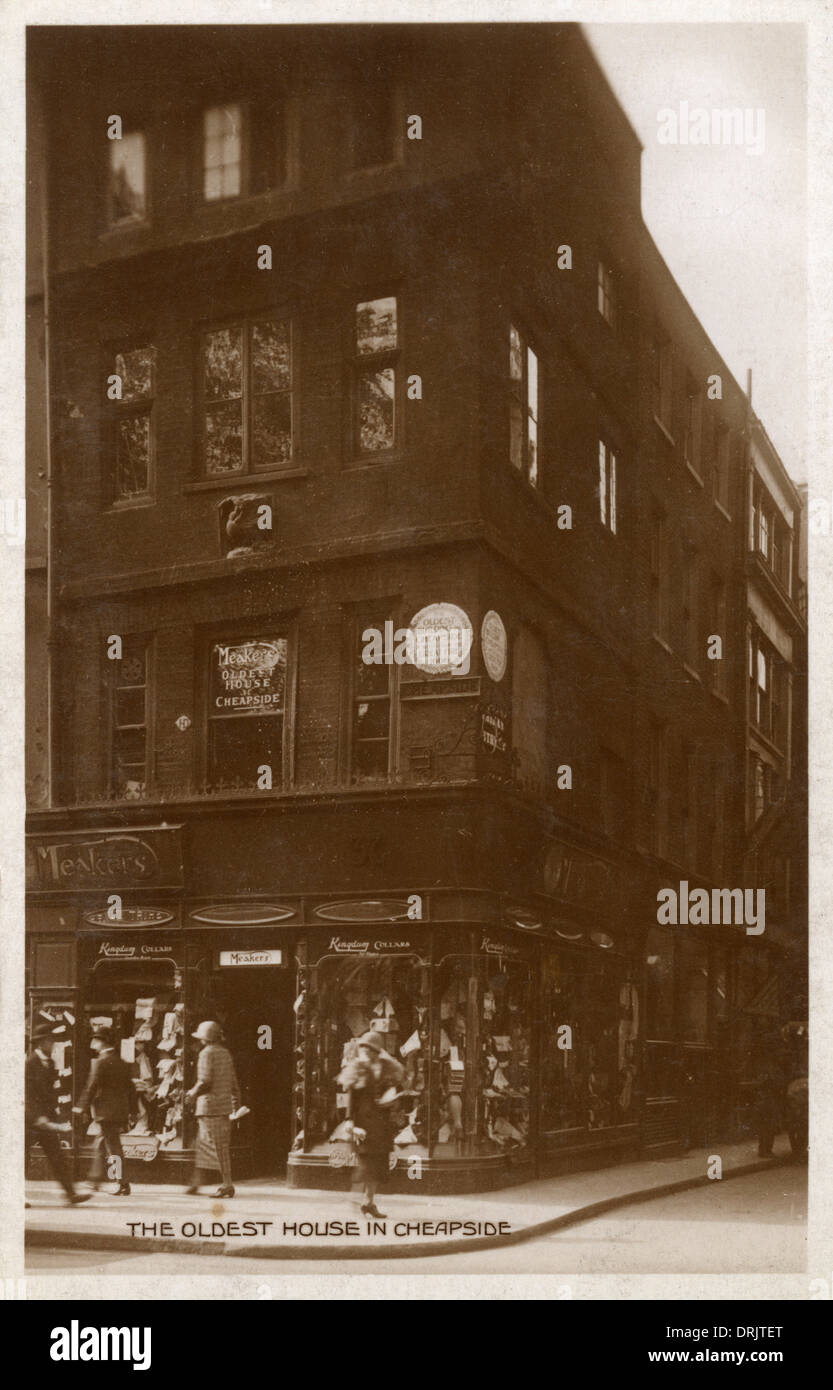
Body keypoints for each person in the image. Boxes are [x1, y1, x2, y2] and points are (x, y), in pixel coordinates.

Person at [25, 1022, 91, 1206]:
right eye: (49, 1040)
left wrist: (55, 1116)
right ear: (40, 1043)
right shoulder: (30, 1064)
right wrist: (37, 1118)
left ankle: (70, 1194)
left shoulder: (51, 1063)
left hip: (46, 1120)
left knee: (57, 1157)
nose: (53, 1044)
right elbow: (27, 1094)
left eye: (53, 1040)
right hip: (29, 1120)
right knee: (22, 1158)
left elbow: (52, 1091)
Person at [343, 1030, 405, 1220]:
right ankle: (360, 1202)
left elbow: (395, 1090)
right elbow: (352, 1097)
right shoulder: (358, 1069)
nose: (365, 1052)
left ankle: (368, 1203)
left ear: (377, 1050)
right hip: (364, 1124)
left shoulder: (387, 1068)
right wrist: (349, 1121)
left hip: (382, 1124)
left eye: (369, 1049)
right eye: (363, 1048)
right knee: (366, 1165)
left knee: (378, 1166)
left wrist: (392, 1101)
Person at [185, 1020, 240, 1198]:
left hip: (209, 1107)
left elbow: (205, 1080)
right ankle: (196, 1183)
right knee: (207, 1146)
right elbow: (233, 1081)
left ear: (205, 1038)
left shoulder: (206, 1053)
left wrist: (192, 1093)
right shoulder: (226, 1053)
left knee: (215, 1147)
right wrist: (236, 1102)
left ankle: (227, 1185)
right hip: (223, 1107)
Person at [76, 1029, 132, 1195]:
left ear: (103, 1042)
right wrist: (133, 1110)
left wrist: (81, 1106)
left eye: (96, 1039)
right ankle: (94, 1181)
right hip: (118, 1111)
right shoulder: (121, 1061)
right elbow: (131, 1088)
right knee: (101, 1144)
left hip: (105, 1112)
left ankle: (122, 1183)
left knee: (113, 1148)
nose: (93, 1042)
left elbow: (92, 1086)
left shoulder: (101, 1061)